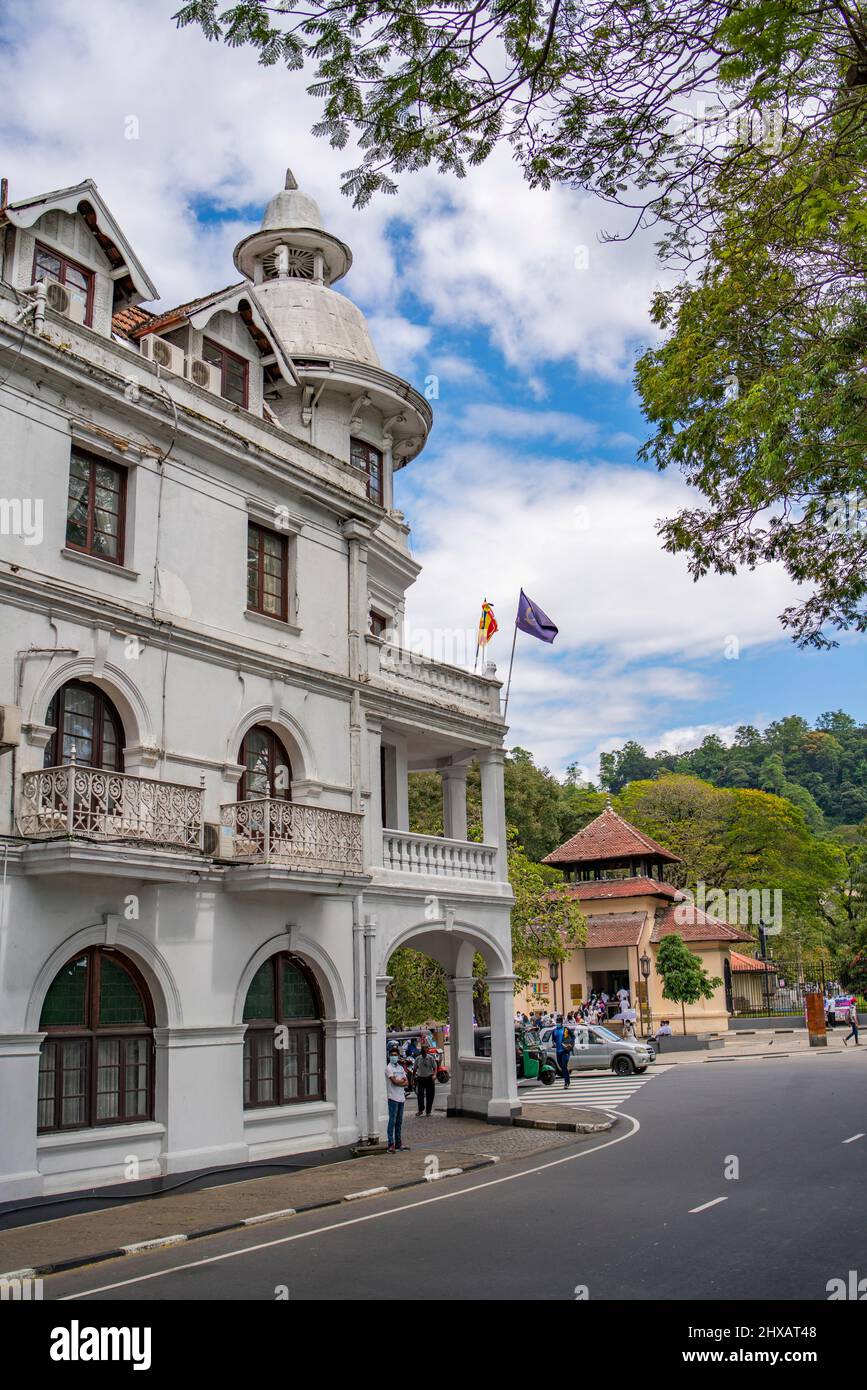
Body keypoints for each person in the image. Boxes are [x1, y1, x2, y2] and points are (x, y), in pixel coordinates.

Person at [385, 1044, 410, 1152]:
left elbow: (407, 1082)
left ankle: (398, 1143)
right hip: (392, 1098)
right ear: (389, 1056)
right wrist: (401, 1082)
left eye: (395, 1055)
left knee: (399, 1122)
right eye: (392, 1055)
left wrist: (400, 1082)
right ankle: (391, 1144)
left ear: (398, 1056)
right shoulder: (388, 1068)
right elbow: (394, 1082)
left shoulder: (400, 1068)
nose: (393, 1056)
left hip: (401, 1098)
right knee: (392, 1121)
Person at [414, 1043, 438, 1116]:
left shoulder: (431, 1058)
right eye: (423, 1049)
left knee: (430, 1095)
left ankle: (428, 1111)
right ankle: (421, 1110)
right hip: (420, 1078)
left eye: (425, 1049)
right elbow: (415, 1069)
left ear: (427, 1050)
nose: (424, 1051)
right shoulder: (418, 1058)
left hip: (429, 1078)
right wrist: (413, 1078)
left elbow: (435, 1068)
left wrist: (434, 1075)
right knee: (420, 1095)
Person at [552, 1015, 574, 1087]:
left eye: (558, 1022)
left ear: (561, 1023)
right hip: (558, 1052)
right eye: (557, 1022)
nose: (557, 1023)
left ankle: (566, 1082)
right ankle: (567, 1079)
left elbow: (573, 1036)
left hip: (565, 1051)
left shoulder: (566, 1029)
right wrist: (554, 1043)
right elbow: (553, 1039)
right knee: (562, 1067)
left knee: (564, 1066)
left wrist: (570, 1043)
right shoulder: (554, 1031)